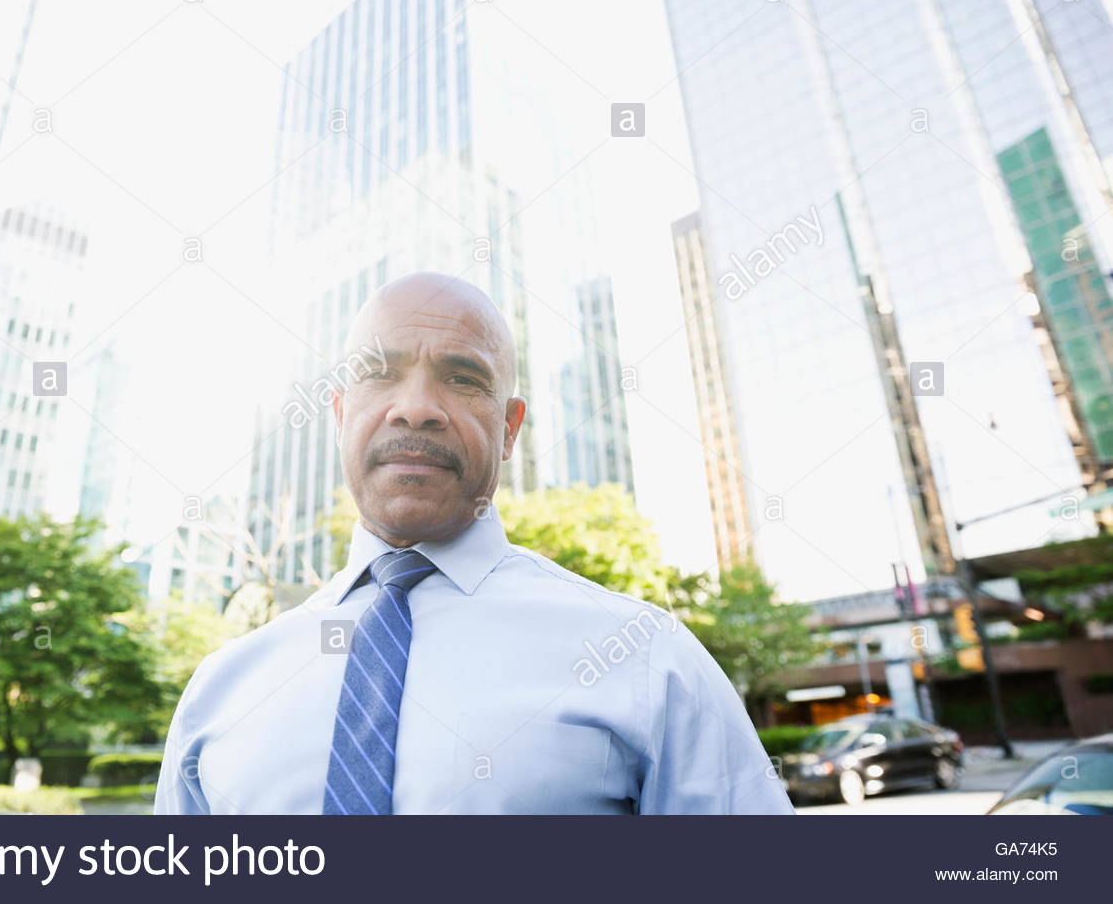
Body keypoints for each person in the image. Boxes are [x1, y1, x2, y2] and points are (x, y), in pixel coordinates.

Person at [155, 272, 793, 814]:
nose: (416, 408)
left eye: (462, 378)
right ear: (340, 413)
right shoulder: (221, 690)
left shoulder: (649, 659)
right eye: (381, 373)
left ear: (510, 427)